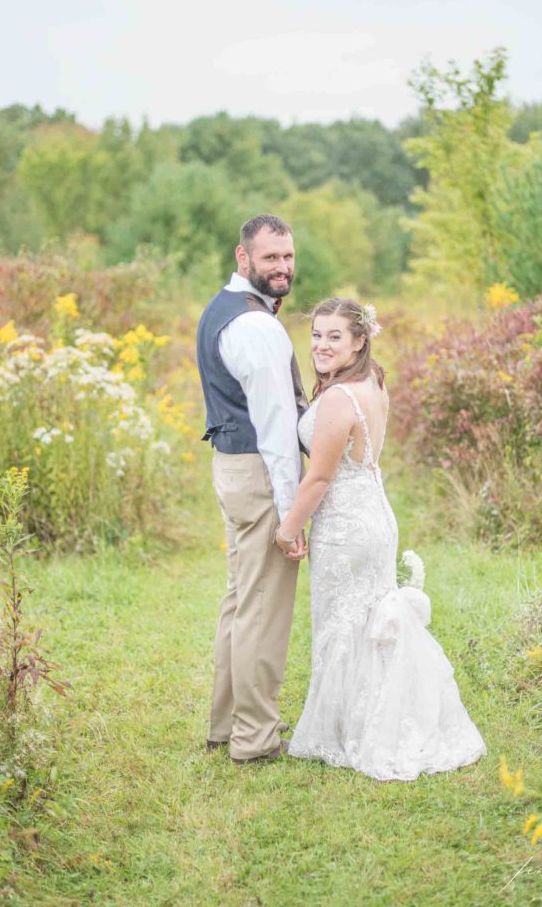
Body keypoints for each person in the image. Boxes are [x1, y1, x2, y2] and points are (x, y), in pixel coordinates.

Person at [275, 297, 487, 781]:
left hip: (348, 525)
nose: (322, 346)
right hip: (373, 512)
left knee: (345, 623)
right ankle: (375, 717)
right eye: (316, 335)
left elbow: (318, 479)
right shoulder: (373, 381)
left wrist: (287, 530)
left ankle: (361, 731)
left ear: (359, 341)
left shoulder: (336, 399)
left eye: (335, 337)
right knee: (367, 620)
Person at [196, 214, 308, 765]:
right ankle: (255, 738)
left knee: (241, 601)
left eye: (288, 256)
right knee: (262, 608)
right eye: (270, 258)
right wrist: (291, 518)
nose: (282, 267)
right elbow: (277, 431)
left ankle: (225, 726)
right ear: (244, 259)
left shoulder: (223, 309)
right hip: (259, 473)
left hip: (232, 468)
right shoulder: (257, 328)